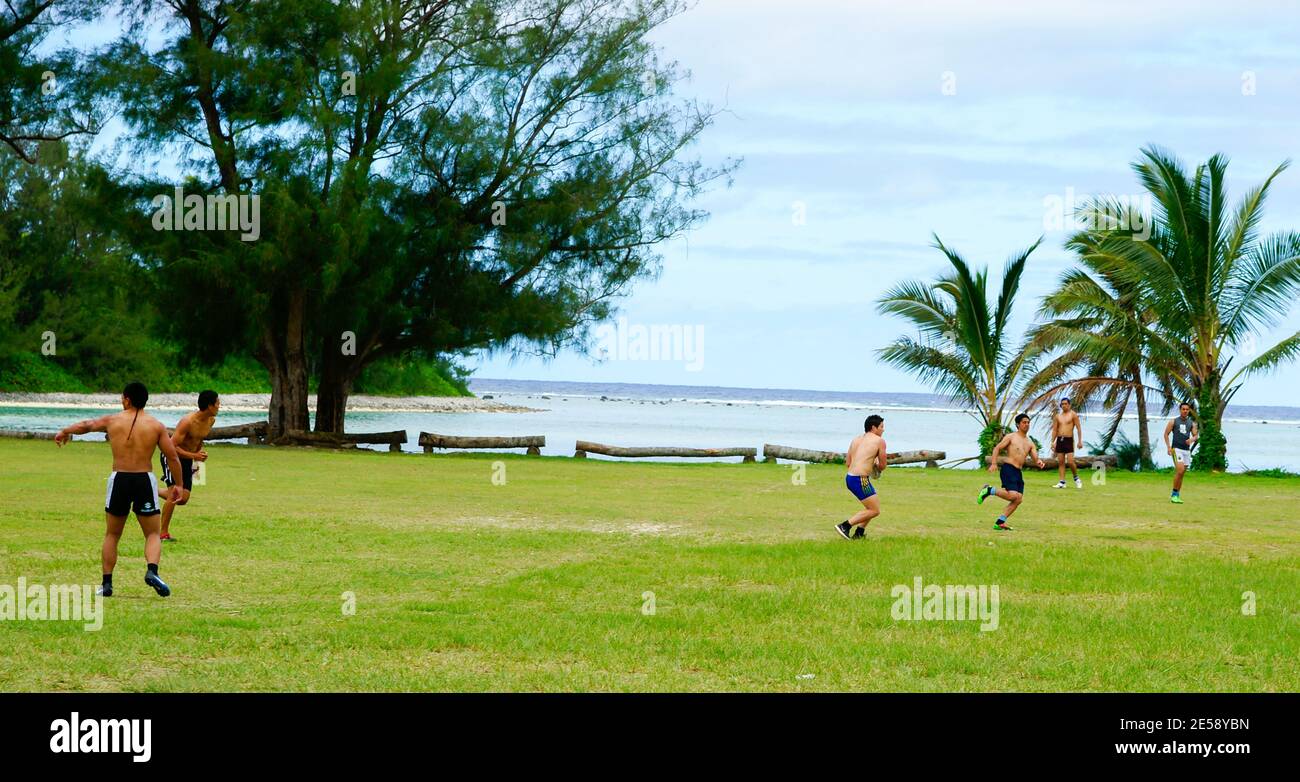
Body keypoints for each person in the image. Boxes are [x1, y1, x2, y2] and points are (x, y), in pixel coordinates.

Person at [54, 381, 181, 597]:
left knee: (112, 534)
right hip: (143, 479)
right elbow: (172, 457)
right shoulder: (156, 425)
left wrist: (65, 431)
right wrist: (178, 484)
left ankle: (106, 585)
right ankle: (152, 571)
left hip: (119, 479)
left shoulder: (113, 420)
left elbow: (87, 425)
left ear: (127, 399)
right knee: (152, 533)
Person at [159, 389, 220, 541]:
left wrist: (199, 455)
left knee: (183, 498)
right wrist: (194, 455)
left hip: (188, 458)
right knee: (174, 493)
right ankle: (163, 533)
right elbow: (171, 447)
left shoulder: (211, 420)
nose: (219, 406)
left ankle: (151, 489)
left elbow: (198, 440)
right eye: (217, 403)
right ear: (209, 406)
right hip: (171, 457)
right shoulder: (187, 422)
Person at [978, 413, 1045, 531]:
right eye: (1024, 422)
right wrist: (993, 463)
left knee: (1018, 499)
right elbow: (997, 448)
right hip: (1009, 468)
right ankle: (989, 490)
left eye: (1028, 422)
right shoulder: (1011, 437)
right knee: (1013, 495)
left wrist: (1039, 462)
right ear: (1018, 424)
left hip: (1018, 472)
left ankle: (1000, 522)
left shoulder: (1030, 442)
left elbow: (1035, 457)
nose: (1027, 424)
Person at [836, 415, 887, 540]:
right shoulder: (879, 441)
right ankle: (845, 526)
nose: (883, 430)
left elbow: (848, 463)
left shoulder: (856, 440)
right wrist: (876, 467)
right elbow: (883, 465)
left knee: (870, 507)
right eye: (881, 427)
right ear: (873, 427)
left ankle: (859, 533)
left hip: (850, 477)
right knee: (875, 510)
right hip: (860, 479)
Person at [1163, 402, 1198, 504]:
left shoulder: (1191, 423)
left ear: (1189, 411)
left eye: (1187, 409)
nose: (1185, 411)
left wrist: (1191, 440)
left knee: (1182, 474)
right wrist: (1168, 447)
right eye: (1183, 409)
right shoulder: (1173, 421)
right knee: (1180, 470)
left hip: (1186, 450)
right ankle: (1174, 495)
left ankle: (1176, 495)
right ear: (1180, 410)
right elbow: (1166, 434)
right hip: (1176, 449)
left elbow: (1196, 435)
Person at [1050, 397, 1083, 489]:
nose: (1064, 405)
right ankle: (1062, 482)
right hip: (1060, 440)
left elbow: (1078, 428)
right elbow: (1055, 430)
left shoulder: (1073, 415)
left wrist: (1080, 441)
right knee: (1061, 462)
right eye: (1062, 404)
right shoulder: (1058, 416)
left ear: (1069, 405)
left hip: (1069, 440)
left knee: (1070, 461)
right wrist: (1052, 442)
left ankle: (1076, 478)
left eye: (1065, 404)